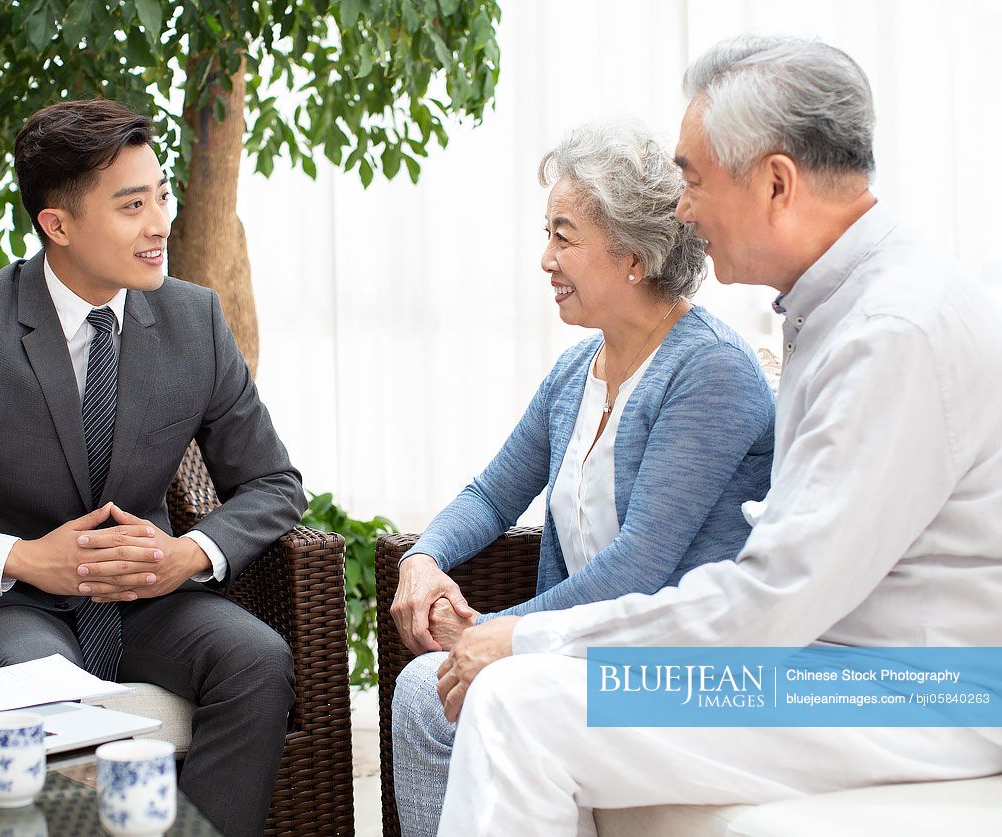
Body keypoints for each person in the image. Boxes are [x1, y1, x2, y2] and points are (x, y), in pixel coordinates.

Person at [403, 36, 1002, 836]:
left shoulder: (891, 330)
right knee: (518, 696)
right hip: (830, 664)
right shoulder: (840, 306)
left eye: (692, 179)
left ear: (776, 183)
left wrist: (525, 636)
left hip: (916, 690)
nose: (682, 210)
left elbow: (767, 601)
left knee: (518, 703)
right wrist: (484, 608)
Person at [0, 99, 305, 837]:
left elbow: (273, 482)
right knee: (46, 687)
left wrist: (187, 554)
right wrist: (22, 559)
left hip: (148, 600)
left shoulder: (196, 320)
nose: (160, 223)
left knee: (257, 659)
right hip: (6, 607)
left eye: (162, 197)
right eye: (132, 206)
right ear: (58, 224)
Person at [391, 117, 776, 836]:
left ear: (632, 255)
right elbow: (490, 495)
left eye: (563, 236)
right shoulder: (576, 371)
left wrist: (492, 635)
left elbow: (638, 568)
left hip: (681, 665)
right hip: (589, 648)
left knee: (428, 689)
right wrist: (423, 558)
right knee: (431, 688)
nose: (545, 259)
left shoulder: (710, 371)